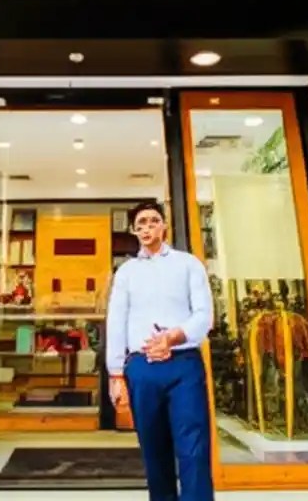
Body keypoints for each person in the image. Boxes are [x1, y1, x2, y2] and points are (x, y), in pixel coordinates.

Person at [106, 201, 215, 501]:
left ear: (164, 225)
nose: (146, 228)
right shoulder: (126, 272)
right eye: (140, 224)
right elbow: (116, 321)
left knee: (193, 447)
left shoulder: (188, 263)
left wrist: (173, 337)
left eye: (153, 221)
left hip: (184, 365)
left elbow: (204, 316)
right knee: (154, 450)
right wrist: (116, 374)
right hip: (141, 368)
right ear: (133, 230)